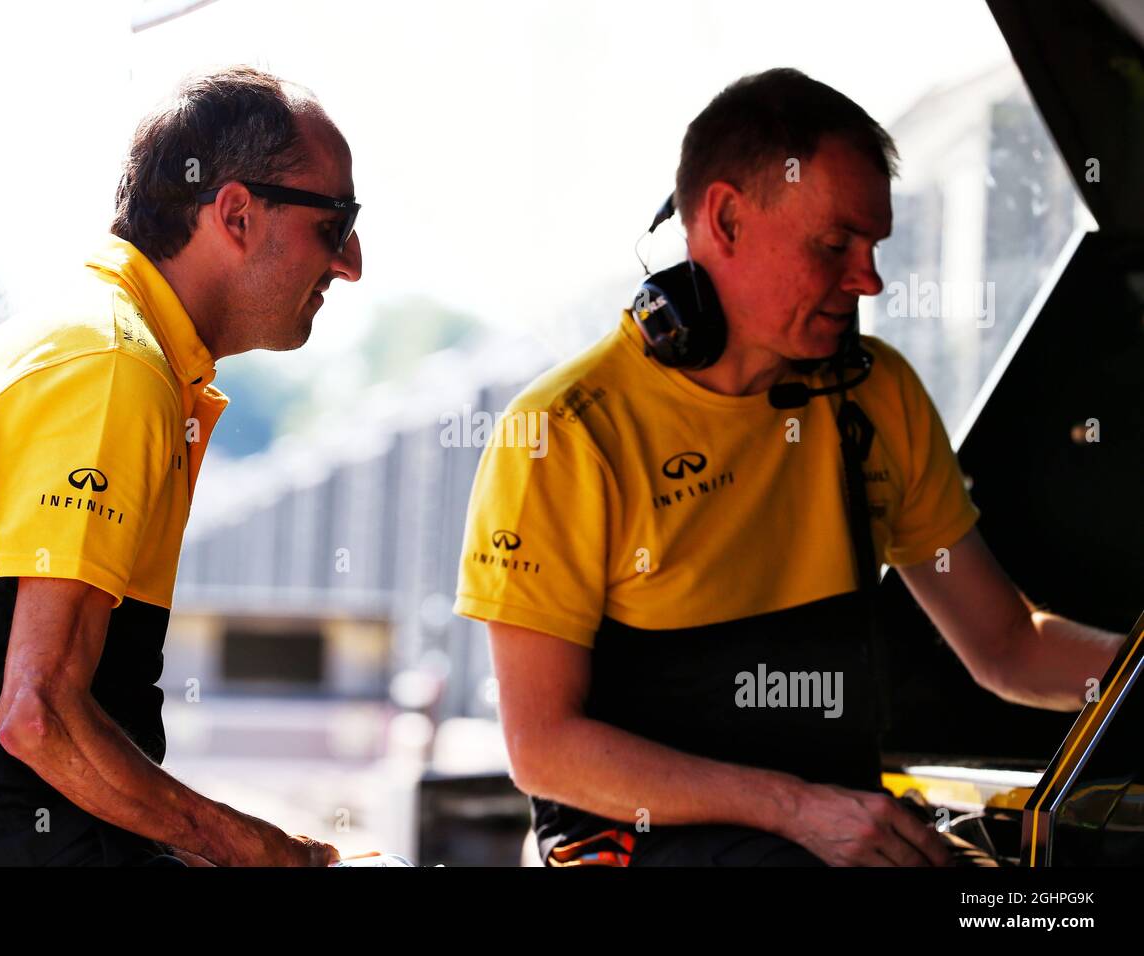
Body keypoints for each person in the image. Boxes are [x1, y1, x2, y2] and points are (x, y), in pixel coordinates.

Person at [452, 68, 1124, 867]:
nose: (868, 278)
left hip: (833, 831)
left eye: (874, 247)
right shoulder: (564, 435)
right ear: (727, 219)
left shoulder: (878, 395)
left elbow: (1009, 645)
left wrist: (1136, 676)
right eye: (835, 244)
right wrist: (797, 810)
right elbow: (545, 749)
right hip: (634, 843)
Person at [0, 65, 362, 866]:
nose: (352, 262)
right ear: (234, 213)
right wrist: (250, 848)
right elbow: (39, 713)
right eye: (336, 223)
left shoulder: (100, 345)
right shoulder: (112, 362)